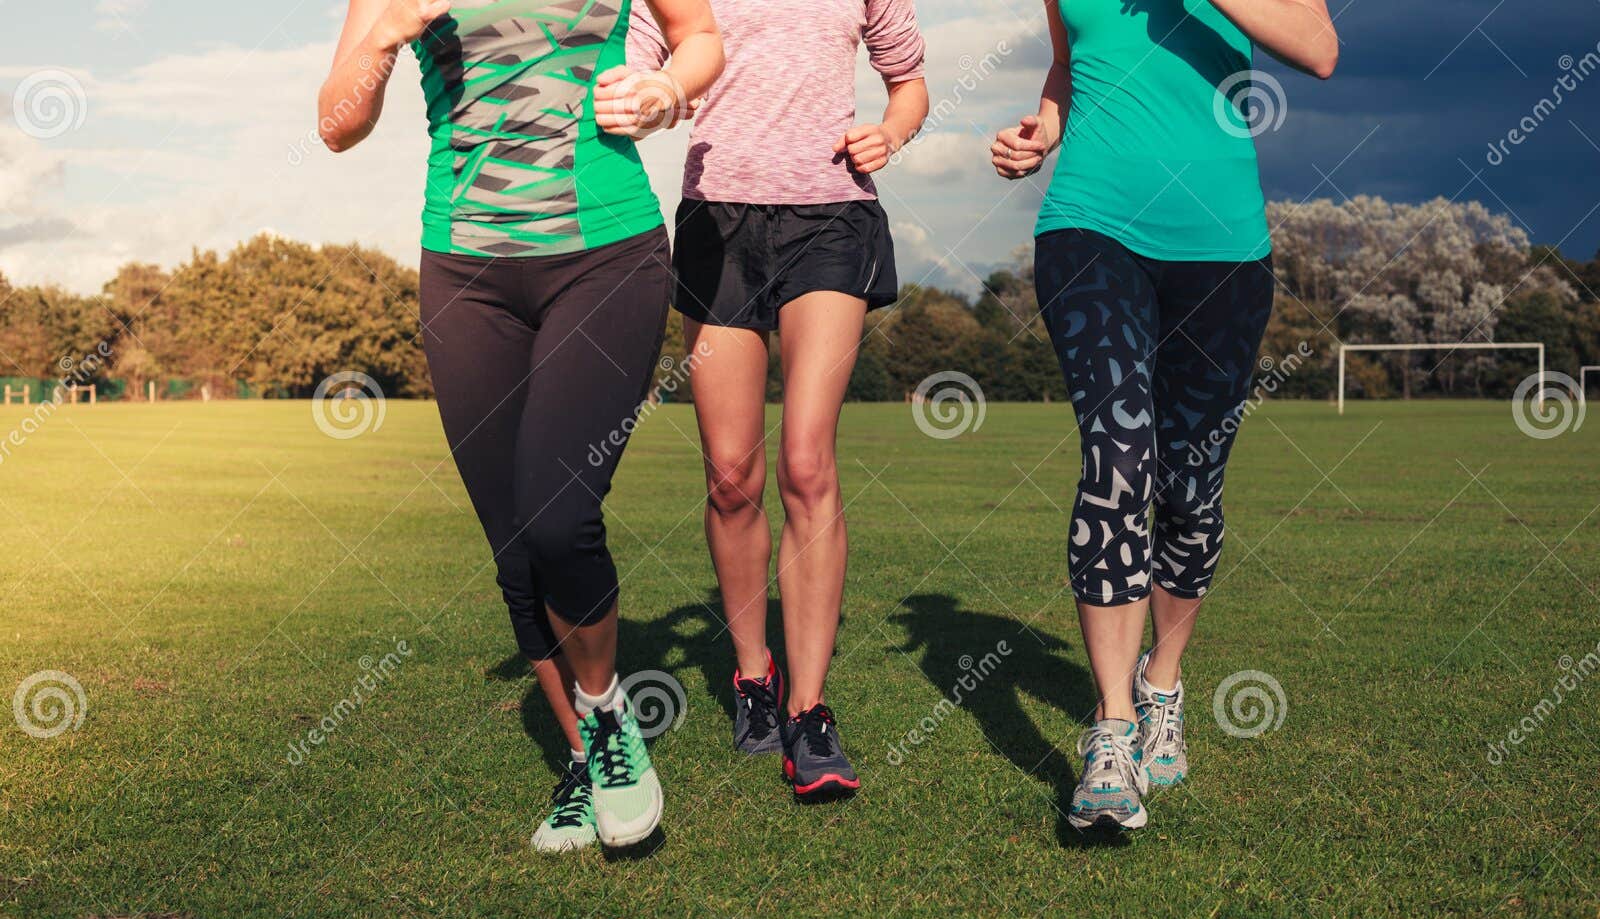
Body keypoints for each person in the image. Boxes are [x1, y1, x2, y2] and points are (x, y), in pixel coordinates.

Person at [320, 0, 723, 852]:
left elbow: (700, 38)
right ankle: (587, 759)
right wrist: (387, 36)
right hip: (466, 274)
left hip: (605, 251)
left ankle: (608, 712)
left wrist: (663, 91)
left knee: (557, 512)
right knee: (514, 544)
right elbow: (337, 124)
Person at [989, 0, 1336, 832]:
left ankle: (1161, 686)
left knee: (1191, 489)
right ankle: (1110, 732)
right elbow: (1074, 63)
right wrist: (1041, 128)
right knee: (1116, 461)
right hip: (1090, 227)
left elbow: (1319, 50)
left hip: (1224, 248)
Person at [626, 0, 928, 798]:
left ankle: (810, 707)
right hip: (716, 221)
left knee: (805, 463)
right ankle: (752, 677)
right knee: (730, 474)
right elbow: (641, 69)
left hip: (831, 217)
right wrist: (653, 95)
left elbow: (910, 84)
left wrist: (890, 134)